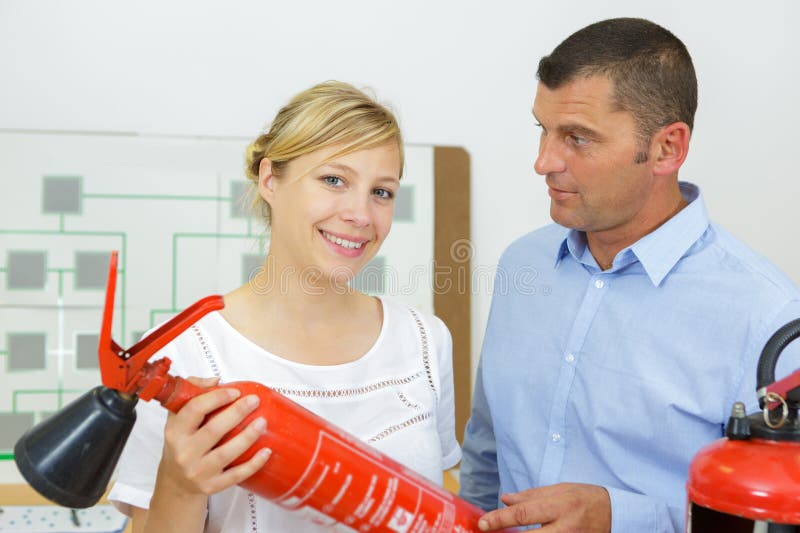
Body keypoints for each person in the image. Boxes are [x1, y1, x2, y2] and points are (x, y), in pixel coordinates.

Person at [458, 17, 800, 533]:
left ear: (668, 148)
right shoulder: (520, 265)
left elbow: (779, 518)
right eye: (543, 131)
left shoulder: (770, 318)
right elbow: (486, 452)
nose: (543, 161)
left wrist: (620, 517)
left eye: (578, 138)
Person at [108, 81, 461, 532]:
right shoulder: (183, 354)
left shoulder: (424, 340)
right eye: (334, 180)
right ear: (271, 179)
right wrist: (181, 485)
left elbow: (439, 509)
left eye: (382, 192)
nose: (361, 214)